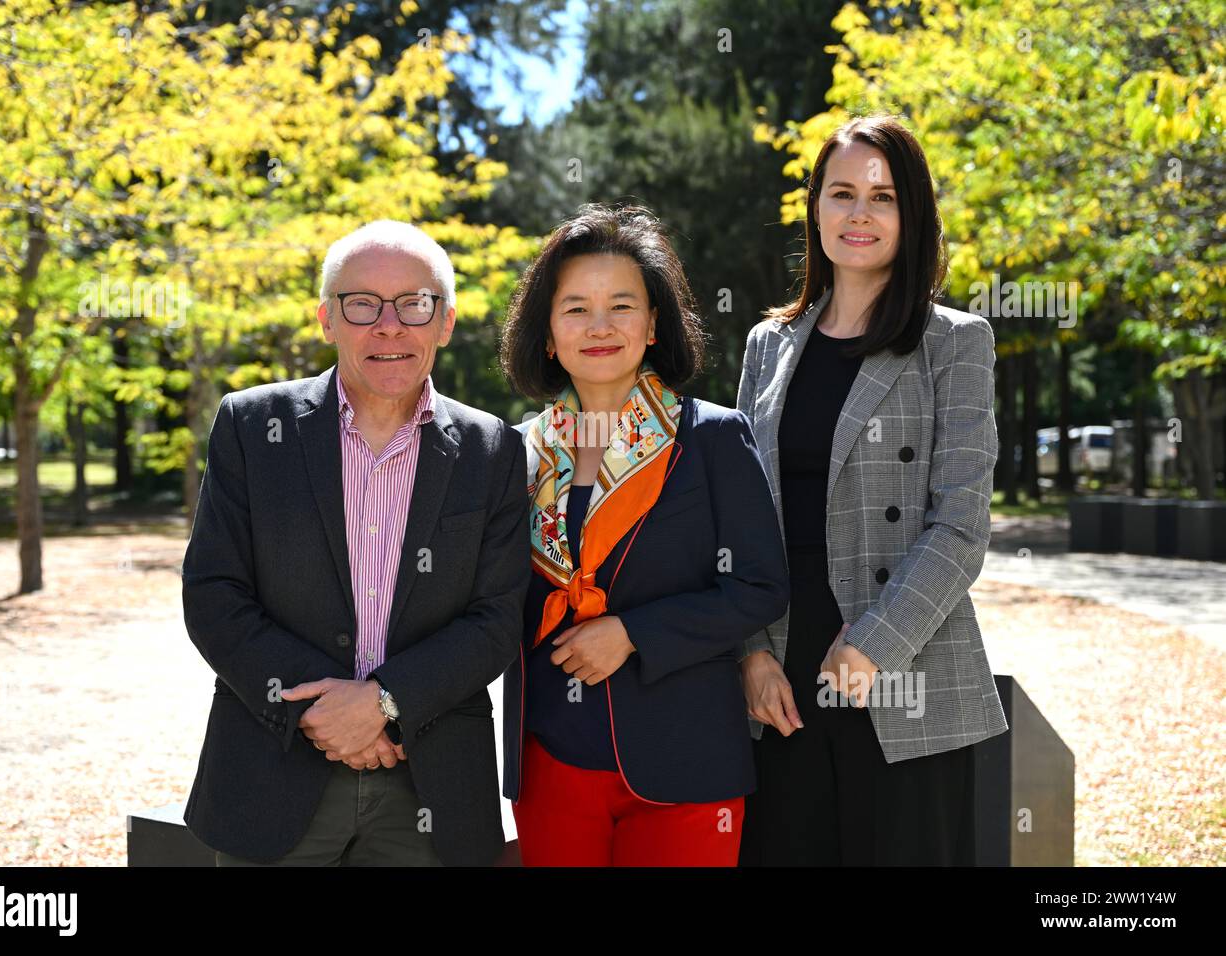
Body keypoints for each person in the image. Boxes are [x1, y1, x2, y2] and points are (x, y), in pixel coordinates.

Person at [181, 220, 529, 866]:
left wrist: (384, 702)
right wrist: (326, 711)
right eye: (362, 303)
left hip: (431, 782)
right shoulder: (252, 428)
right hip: (274, 768)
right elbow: (214, 596)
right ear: (326, 318)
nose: (389, 326)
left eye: (414, 304)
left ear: (445, 322)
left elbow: (497, 618)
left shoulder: (493, 449)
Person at [736, 114, 1009, 866]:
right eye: (842, 193)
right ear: (815, 207)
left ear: (911, 214)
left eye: (883, 197)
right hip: (782, 684)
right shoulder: (769, 344)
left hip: (902, 677)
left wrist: (870, 649)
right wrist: (751, 656)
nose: (859, 213)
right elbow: (739, 517)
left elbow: (960, 527)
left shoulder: (954, 341)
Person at [498, 203, 790, 866]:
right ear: (546, 333)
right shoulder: (518, 454)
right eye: (575, 308)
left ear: (654, 323)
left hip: (686, 759)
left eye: (621, 305)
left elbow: (759, 588)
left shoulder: (712, 437)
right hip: (551, 757)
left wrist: (633, 634)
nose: (599, 326)